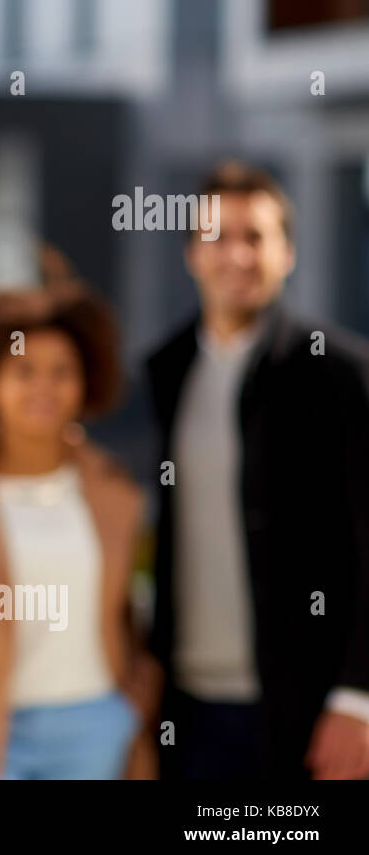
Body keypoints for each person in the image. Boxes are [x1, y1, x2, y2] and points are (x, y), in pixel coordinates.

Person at [146, 160, 369, 779]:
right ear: (192, 253)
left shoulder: (341, 373)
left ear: (288, 253)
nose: (237, 256)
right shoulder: (166, 371)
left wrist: (359, 697)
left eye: (256, 237)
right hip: (187, 708)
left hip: (310, 708)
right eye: (218, 237)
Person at [0, 281, 162, 779]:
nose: (45, 387)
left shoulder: (111, 484)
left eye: (62, 372)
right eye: (24, 370)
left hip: (95, 728)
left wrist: (131, 706)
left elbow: (127, 613)